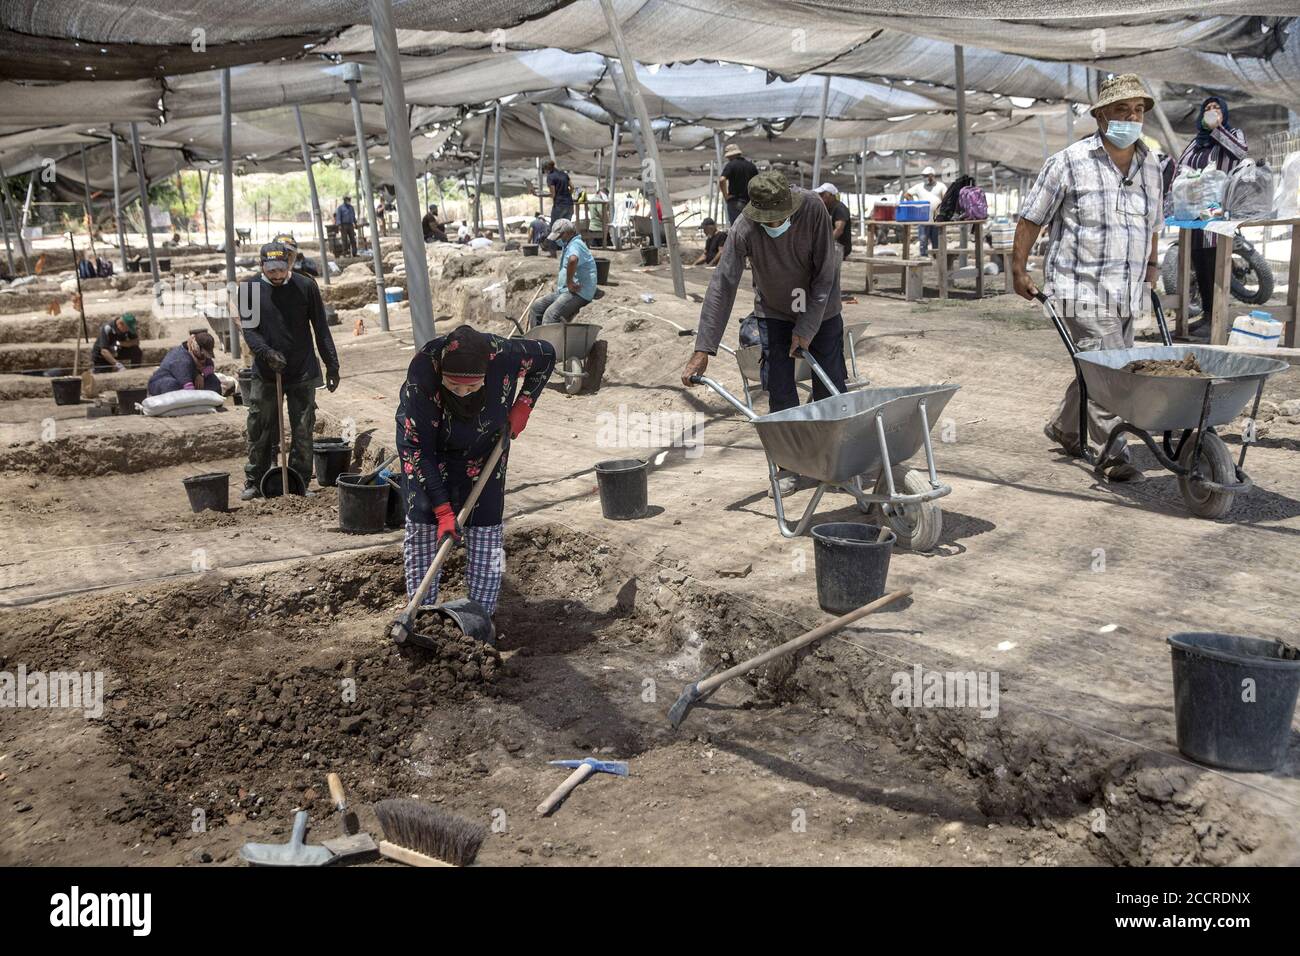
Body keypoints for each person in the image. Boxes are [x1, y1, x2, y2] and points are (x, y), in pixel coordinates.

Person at [1012, 73, 1163, 483]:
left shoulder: (1152, 167)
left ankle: (1065, 427)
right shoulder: (1067, 163)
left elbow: (1153, 225)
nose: (1131, 118)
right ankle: (1111, 453)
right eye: (1121, 110)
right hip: (1080, 289)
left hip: (1130, 289)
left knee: (1098, 367)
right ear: (1100, 116)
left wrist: (1151, 271)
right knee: (1111, 371)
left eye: (1137, 111)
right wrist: (1018, 268)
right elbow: (1031, 218)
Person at [682, 171, 845, 495]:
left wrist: (808, 326)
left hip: (822, 312)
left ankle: (834, 461)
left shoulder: (813, 209)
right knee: (780, 389)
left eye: (780, 218)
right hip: (775, 312)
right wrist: (704, 349)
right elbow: (722, 285)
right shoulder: (745, 227)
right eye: (767, 221)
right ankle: (790, 466)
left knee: (830, 387)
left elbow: (826, 275)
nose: (775, 226)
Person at [395, 324, 555, 618]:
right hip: (430, 449)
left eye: (471, 387)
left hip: (485, 449)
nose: (463, 394)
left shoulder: (505, 355)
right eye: (454, 387)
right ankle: (422, 614)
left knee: (487, 530)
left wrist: (525, 403)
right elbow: (418, 450)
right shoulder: (423, 372)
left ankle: (481, 615)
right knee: (424, 526)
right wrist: (443, 512)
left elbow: (548, 356)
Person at [237, 242, 340, 500]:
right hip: (267, 371)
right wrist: (267, 353)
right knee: (259, 425)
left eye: (281, 269)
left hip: (302, 370)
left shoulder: (306, 286)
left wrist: (332, 364)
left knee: (303, 428)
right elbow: (249, 331)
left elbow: (321, 329)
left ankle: (299, 481)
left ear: (289, 264)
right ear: (262, 266)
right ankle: (254, 479)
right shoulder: (248, 289)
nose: (277, 275)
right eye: (271, 270)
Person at [1177, 96, 1248, 339]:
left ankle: (1219, 317)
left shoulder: (1233, 133)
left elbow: (1239, 153)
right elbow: (1180, 167)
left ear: (1224, 113)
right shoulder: (1196, 142)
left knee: (1214, 261)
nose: (1211, 111)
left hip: (1220, 212)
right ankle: (1208, 314)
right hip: (1194, 213)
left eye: (1216, 108)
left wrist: (1217, 127)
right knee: (1199, 261)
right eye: (1207, 109)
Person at [529, 219, 597, 328]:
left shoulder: (576, 244)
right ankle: (534, 342)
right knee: (536, 307)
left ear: (567, 233)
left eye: (559, 236)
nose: (557, 240)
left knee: (550, 315)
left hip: (578, 293)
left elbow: (573, 260)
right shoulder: (568, 244)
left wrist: (569, 283)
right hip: (565, 290)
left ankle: (547, 343)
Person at [148, 331, 221, 396]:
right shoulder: (181, 358)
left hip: (191, 380)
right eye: (203, 352)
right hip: (164, 381)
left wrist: (201, 375)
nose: (204, 355)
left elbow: (210, 367)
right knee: (171, 385)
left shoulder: (200, 355)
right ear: (197, 348)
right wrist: (196, 375)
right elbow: (188, 386)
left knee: (213, 381)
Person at [905, 166, 947, 257]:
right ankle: (924, 256)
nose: (925, 178)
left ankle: (937, 257)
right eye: (924, 176)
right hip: (923, 218)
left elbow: (946, 198)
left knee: (936, 240)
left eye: (927, 176)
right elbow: (907, 194)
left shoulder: (940, 186)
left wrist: (942, 209)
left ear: (932, 176)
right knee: (923, 239)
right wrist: (913, 204)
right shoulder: (919, 186)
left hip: (936, 219)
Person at [719, 143, 759, 224]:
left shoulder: (731, 165)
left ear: (730, 155)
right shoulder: (751, 166)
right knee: (751, 228)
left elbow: (722, 180)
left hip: (736, 202)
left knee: (736, 229)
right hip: (750, 203)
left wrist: (726, 196)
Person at [814, 183, 852, 266]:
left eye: (822, 194)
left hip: (839, 246)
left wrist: (825, 243)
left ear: (830, 195)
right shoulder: (828, 208)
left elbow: (839, 230)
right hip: (833, 245)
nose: (820, 196)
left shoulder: (839, 208)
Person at [540, 160, 574, 250]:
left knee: (554, 227)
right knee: (567, 228)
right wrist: (567, 195)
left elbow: (553, 194)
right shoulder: (564, 174)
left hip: (559, 205)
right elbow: (572, 187)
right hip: (569, 204)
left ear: (547, 169)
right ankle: (567, 248)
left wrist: (539, 195)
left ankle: (552, 251)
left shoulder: (550, 177)